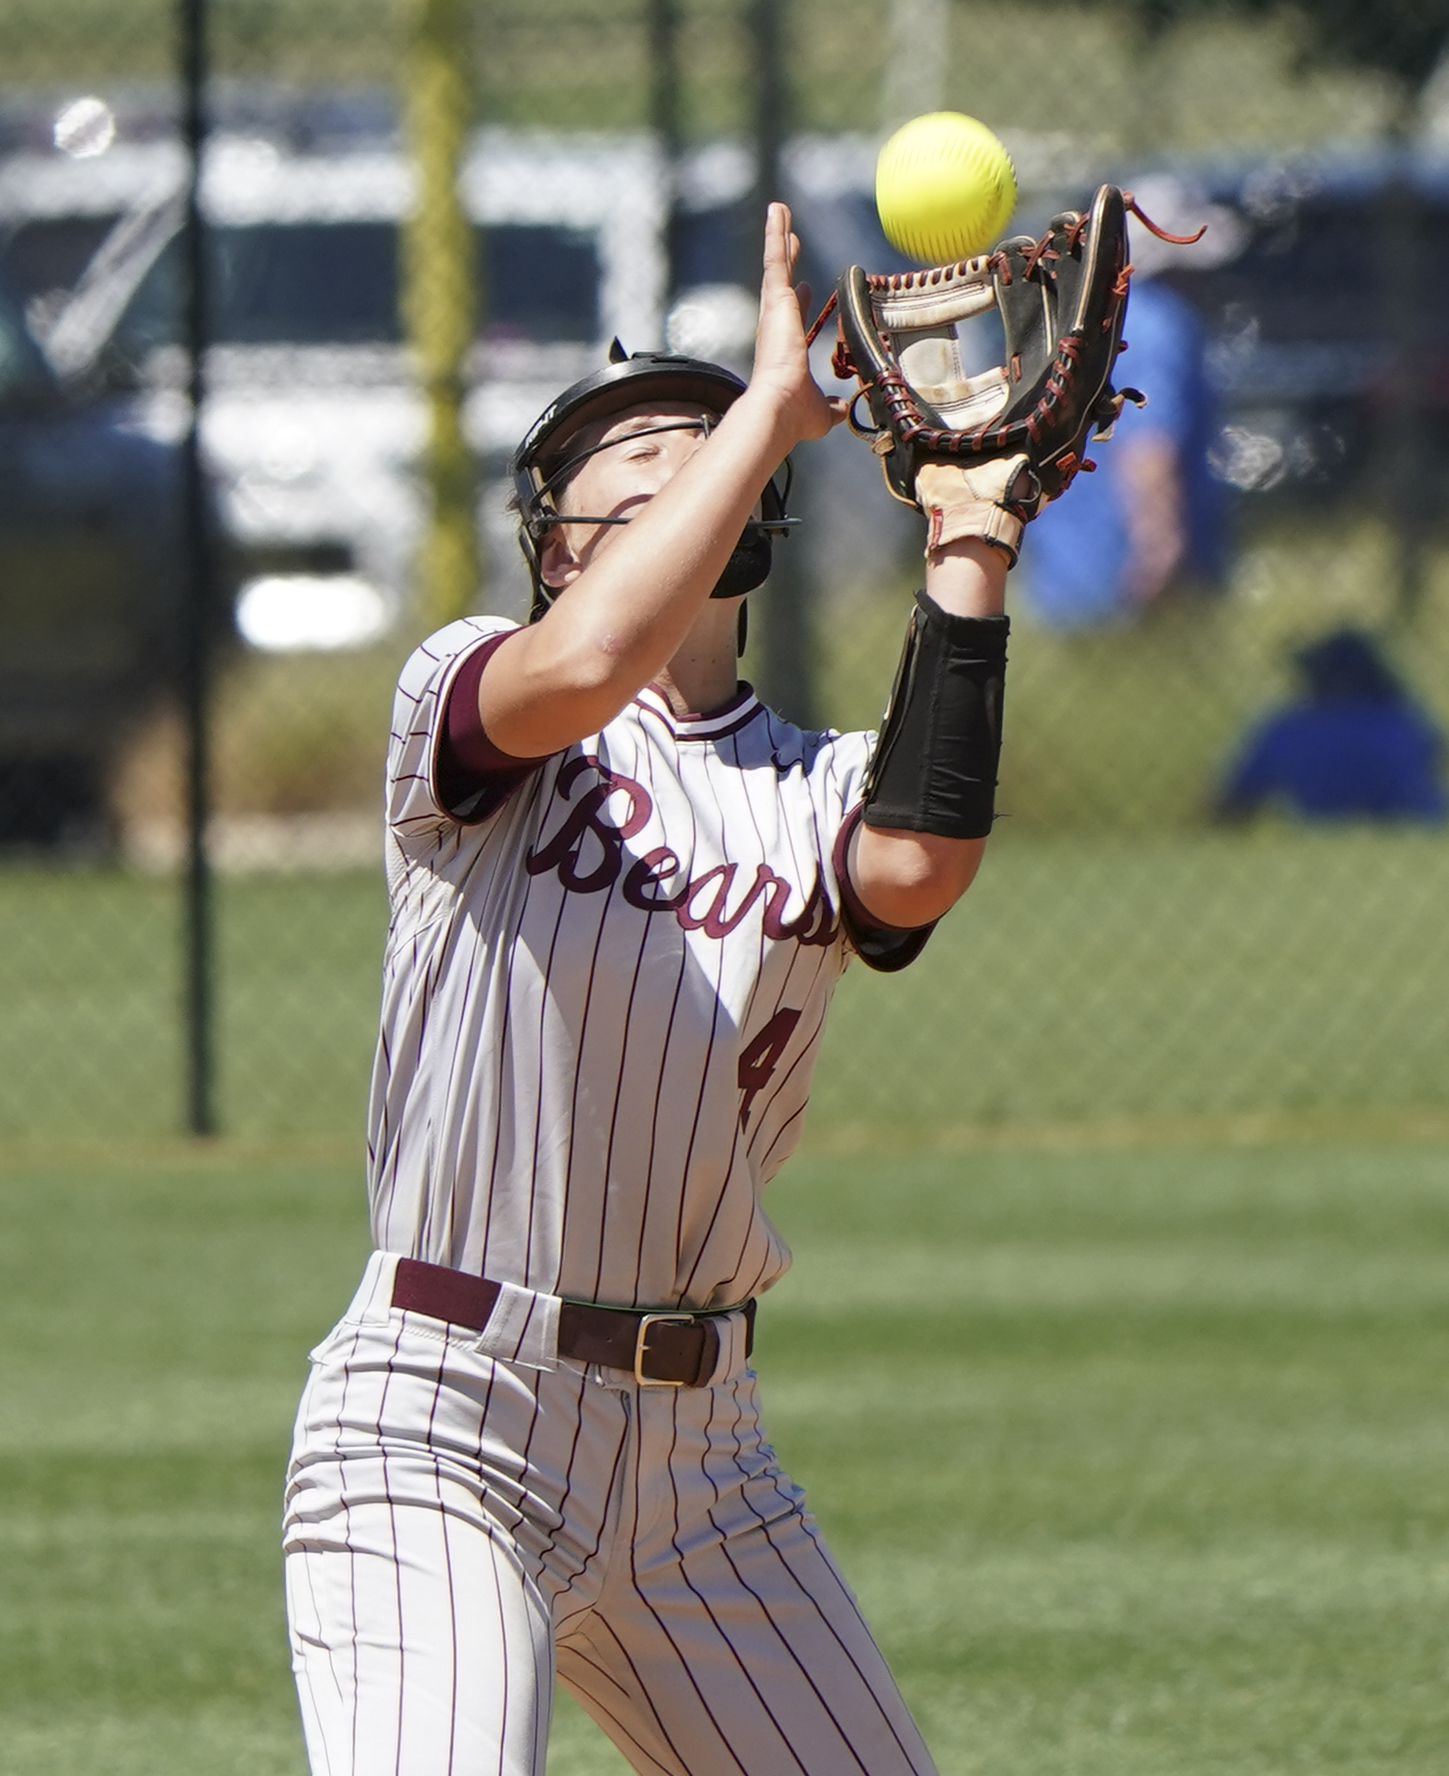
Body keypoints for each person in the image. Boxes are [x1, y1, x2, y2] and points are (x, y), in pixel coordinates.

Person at [281, 204, 1018, 1776]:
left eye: (700, 443)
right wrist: (767, 410)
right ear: (553, 551)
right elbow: (595, 661)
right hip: (441, 1417)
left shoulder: (817, 786)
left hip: (709, 1464)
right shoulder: (476, 698)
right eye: (630, 462)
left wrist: (973, 538)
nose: (675, 452)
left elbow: (913, 875)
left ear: (755, 528)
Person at [1022, 269, 1225, 628]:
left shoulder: (1069, 318)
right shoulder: (1157, 321)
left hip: (1065, 587)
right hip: (1136, 588)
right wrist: (1159, 548)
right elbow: (1149, 444)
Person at [1215, 626, 1447, 823]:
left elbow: (1233, 805)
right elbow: (1434, 760)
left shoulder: (1287, 728)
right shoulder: (1400, 719)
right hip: (1423, 823)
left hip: (1323, 832)